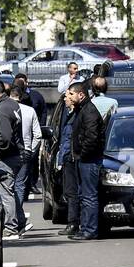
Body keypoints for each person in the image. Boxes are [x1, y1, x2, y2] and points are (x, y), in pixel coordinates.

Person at [0, 81, 26, 236]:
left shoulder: (2, 109)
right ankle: (20, 222)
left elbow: (5, 138)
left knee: (6, 193)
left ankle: (10, 227)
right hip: (14, 155)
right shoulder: (11, 104)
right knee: (11, 190)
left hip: (6, 157)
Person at [68, 81, 104, 240]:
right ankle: (85, 228)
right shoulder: (81, 109)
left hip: (89, 160)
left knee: (89, 196)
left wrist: (82, 155)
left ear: (80, 95)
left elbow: (91, 138)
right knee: (84, 195)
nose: (67, 97)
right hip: (84, 159)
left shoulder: (89, 111)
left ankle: (90, 230)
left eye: (71, 94)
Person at [9, 86, 41, 235]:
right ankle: (18, 217)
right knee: (20, 185)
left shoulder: (5, 109)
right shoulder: (30, 110)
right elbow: (38, 134)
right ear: (21, 97)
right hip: (25, 152)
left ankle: (15, 218)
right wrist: (32, 151)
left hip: (8, 153)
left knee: (7, 187)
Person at [55, 85, 81, 236]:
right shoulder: (68, 112)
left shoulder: (78, 114)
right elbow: (62, 138)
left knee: (73, 192)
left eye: (68, 95)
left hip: (73, 157)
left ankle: (74, 223)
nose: (66, 98)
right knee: (69, 191)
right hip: (67, 157)